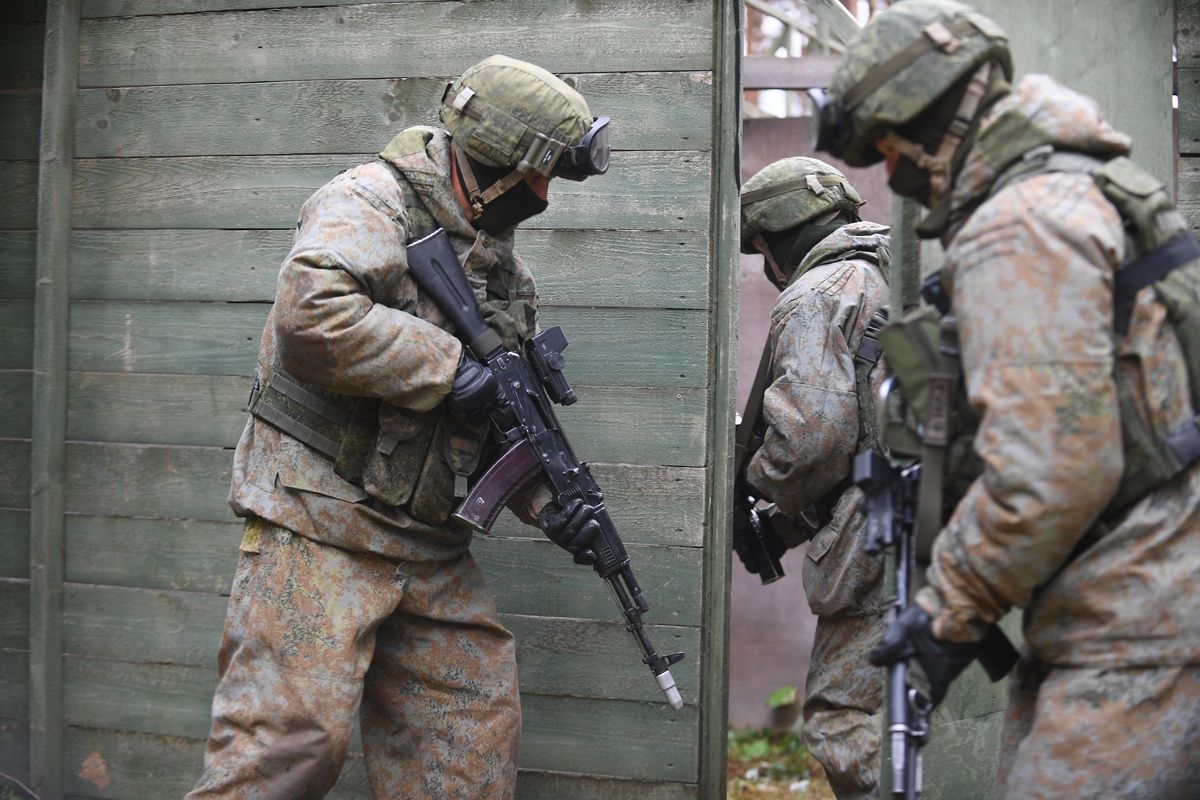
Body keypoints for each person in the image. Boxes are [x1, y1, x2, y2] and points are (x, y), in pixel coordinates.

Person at [187, 54, 608, 800]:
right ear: (498, 162)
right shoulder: (368, 201)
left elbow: (499, 426)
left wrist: (554, 510)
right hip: (320, 524)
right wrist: (445, 366)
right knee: (287, 751)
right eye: (541, 174)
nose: (544, 196)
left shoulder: (504, 275)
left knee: (469, 740)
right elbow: (310, 313)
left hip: (428, 548)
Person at [813, 1, 1200, 797]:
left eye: (890, 150)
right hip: (1138, 607)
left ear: (930, 121)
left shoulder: (1019, 225)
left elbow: (1049, 474)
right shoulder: (1073, 187)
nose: (893, 177)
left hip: (1141, 626)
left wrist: (943, 612)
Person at [737, 157, 891, 800]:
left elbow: (813, 440)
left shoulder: (818, 294)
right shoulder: (893, 266)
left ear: (779, 235)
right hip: (923, 519)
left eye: (763, 247)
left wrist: (755, 483)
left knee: (847, 721)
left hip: (880, 534)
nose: (767, 267)